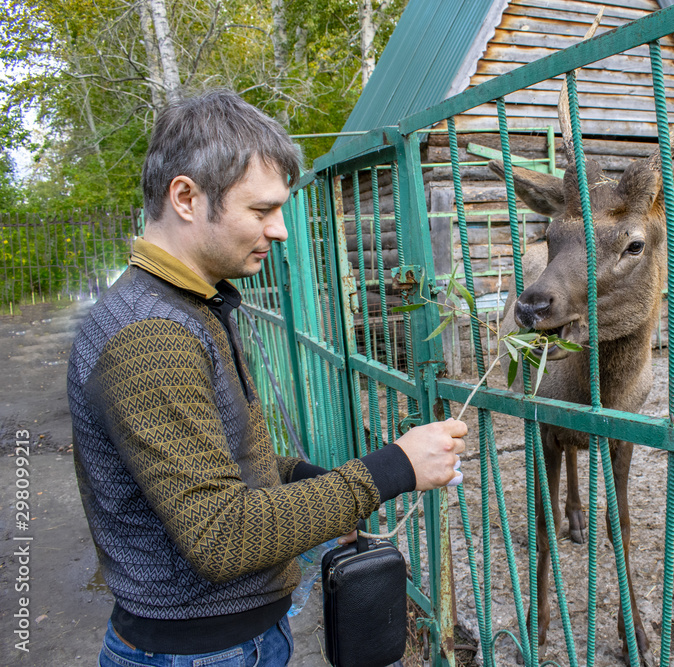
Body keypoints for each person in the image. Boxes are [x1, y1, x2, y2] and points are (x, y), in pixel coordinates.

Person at [67, 89, 468, 666]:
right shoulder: (150, 335)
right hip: (202, 654)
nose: (279, 230)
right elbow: (218, 533)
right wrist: (389, 471)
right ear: (186, 197)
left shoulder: (190, 307)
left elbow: (230, 466)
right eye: (261, 211)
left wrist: (322, 485)